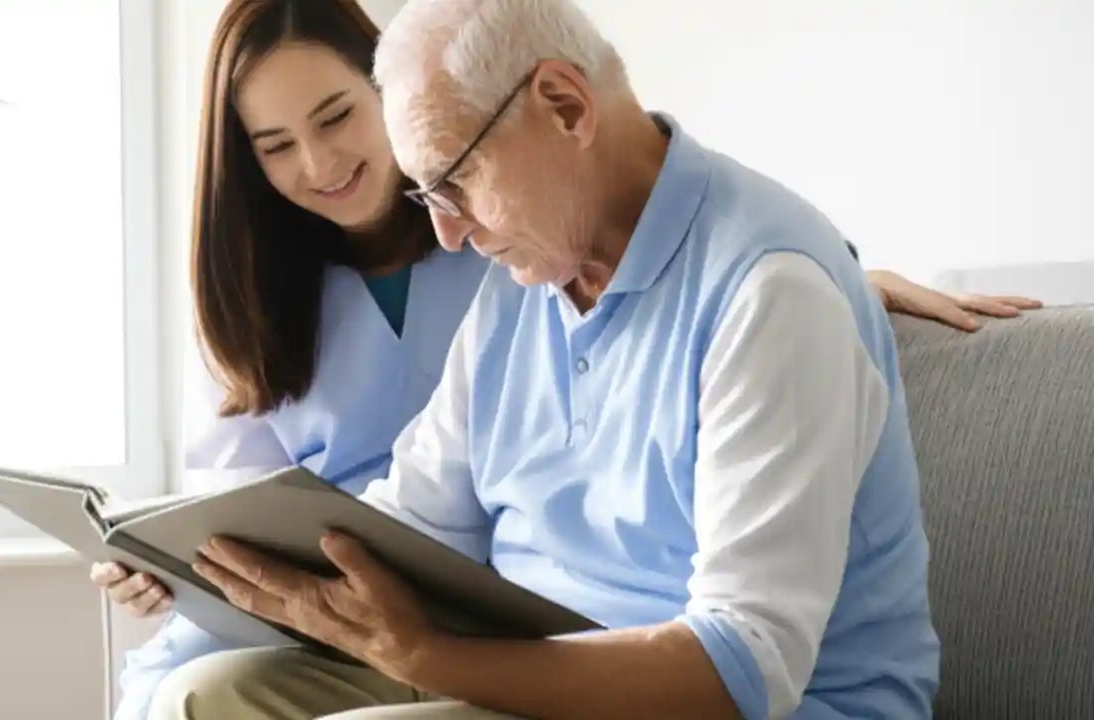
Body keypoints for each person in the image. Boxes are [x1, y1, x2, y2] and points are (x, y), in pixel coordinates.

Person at [95, 1, 1040, 718]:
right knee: (215, 696)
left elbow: (743, 667)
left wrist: (429, 659)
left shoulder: (771, 292)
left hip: (762, 704)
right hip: (537, 665)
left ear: (562, 104)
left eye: (456, 180)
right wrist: (207, 558)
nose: (452, 235)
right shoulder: (525, 286)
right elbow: (414, 519)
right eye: (428, 196)